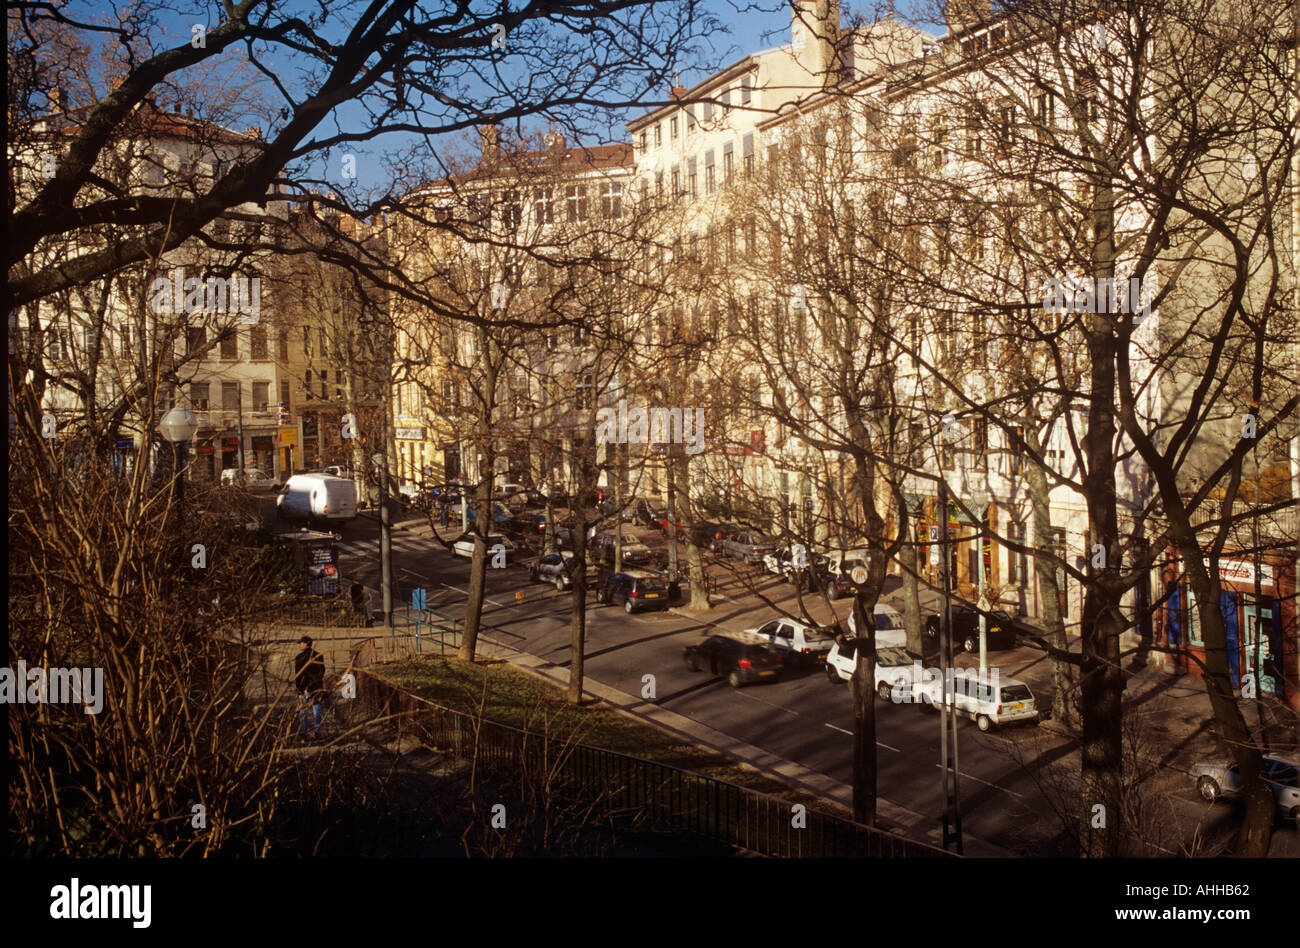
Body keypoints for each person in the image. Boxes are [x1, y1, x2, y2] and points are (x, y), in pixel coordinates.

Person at [293, 634, 326, 739]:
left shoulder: (299, 657)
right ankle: (317, 733)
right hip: (316, 687)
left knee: (302, 711)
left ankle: (303, 732)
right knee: (317, 710)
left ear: (306, 644)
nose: (299, 645)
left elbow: (298, 675)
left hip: (303, 688)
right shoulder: (318, 655)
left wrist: (299, 688)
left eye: (301, 643)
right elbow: (322, 671)